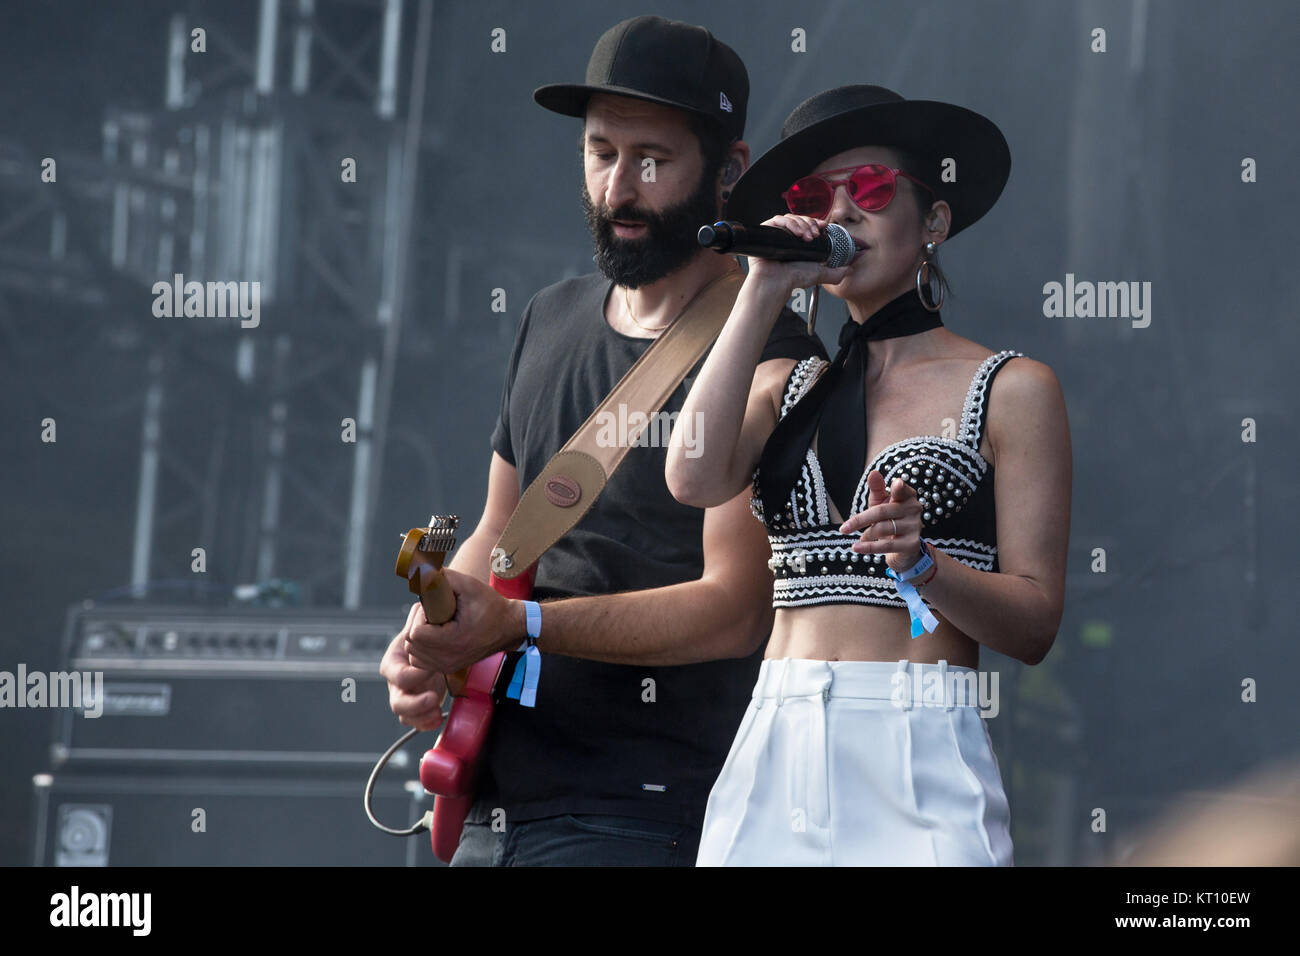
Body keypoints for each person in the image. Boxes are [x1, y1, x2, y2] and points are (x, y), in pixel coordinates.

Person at [379, 16, 826, 866]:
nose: (619, 187)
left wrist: (515, 623)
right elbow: (496, 531)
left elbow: (735, 608)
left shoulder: (767, 351)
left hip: (646, 809)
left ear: (728, 172)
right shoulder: (551, 315)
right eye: (600, 153)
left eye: (652, 159)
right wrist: (427, 641)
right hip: (493, 799)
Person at [665, 85, 1072, 865]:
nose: (842, 213)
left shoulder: (1013, 387)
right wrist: (761, 288)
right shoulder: (786, 384)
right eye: (819, 197)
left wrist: (926, 565)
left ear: (936, 222)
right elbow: (690, 477)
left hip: (916, 740)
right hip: (776, 732)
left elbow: (1036, 623)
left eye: (873, 189)